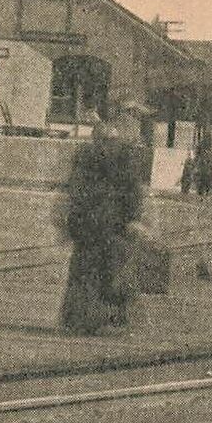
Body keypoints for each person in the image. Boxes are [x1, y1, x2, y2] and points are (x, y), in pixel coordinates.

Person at [59, 117, 146, 334]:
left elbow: (133, 192)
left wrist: (133, 219)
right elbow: (76, 191)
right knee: (94, 272)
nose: (105, 146)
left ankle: (101, 319)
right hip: (95, 226)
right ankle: (88, 319)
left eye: (109, 141)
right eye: (103, 141)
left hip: (108, 226)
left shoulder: (120, 161)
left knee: (106, 272)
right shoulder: (92, 159)